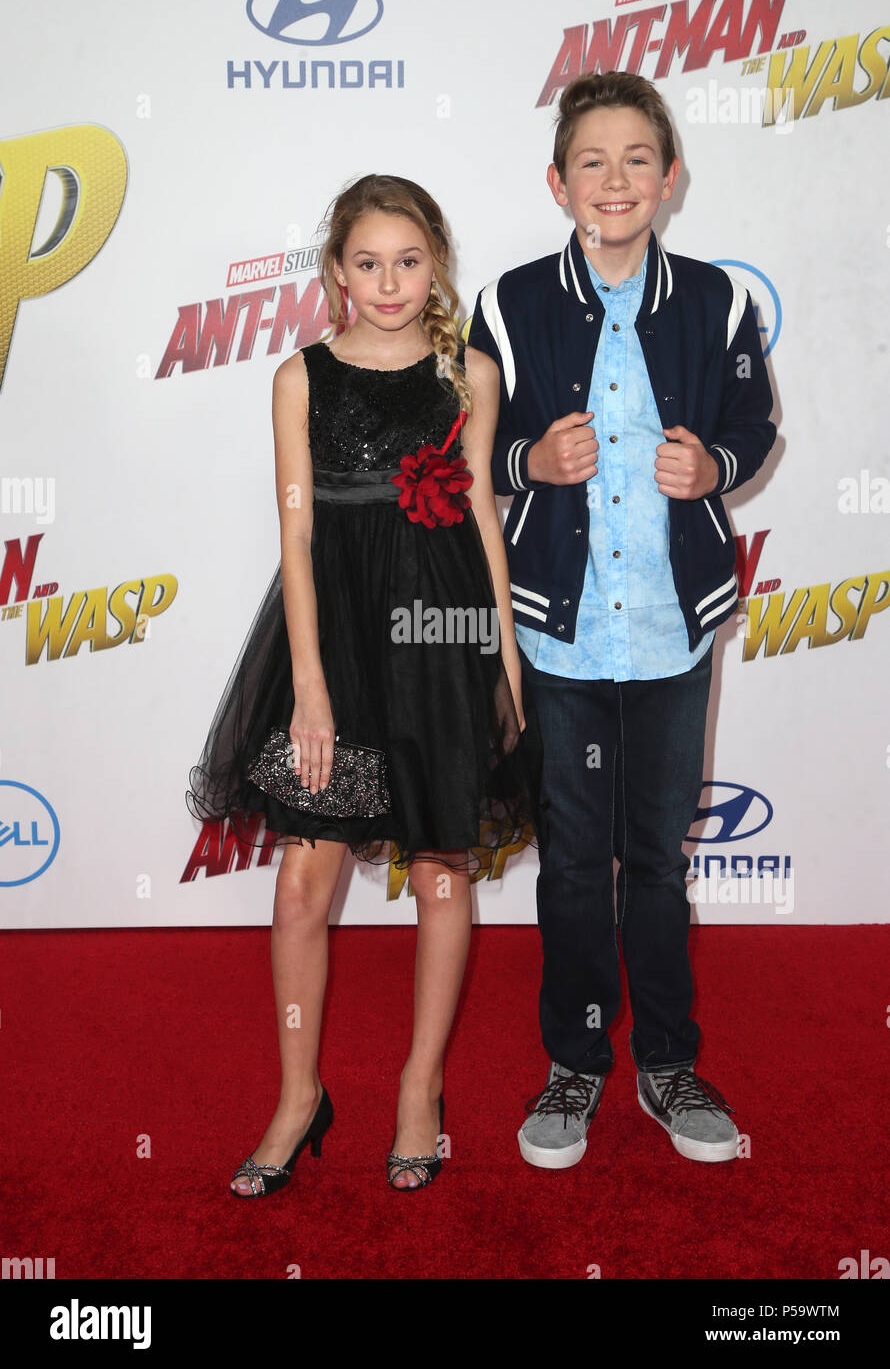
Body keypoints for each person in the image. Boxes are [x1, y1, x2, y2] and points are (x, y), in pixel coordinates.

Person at [187, 173, 537, 1195]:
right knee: (303, 883)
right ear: (335, 270)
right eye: (367, 263)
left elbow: (478, 520)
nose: (388, 282)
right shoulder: (300, 378)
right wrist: (307, 685)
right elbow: (295, 532)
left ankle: (419, 1088)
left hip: (441, 634)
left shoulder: (467, 374)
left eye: (409, 261)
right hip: (334, 638)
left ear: (436, 263)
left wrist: (502, 658)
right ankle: (300, 1095)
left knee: (440, 871)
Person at [467, 71, 776, 1168]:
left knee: (655, 858)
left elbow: (753, 418)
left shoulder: (715, 300)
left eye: (635, 158)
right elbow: (470, 447)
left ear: (669, 174)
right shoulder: (507, 300)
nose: (613, 179)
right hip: (557, 629)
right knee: (567, 863)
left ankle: (667, 1063)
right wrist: (528, 461)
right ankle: (575, 1064)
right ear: (556, 182)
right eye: (589, 161)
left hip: (670, 625)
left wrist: (717, 465)